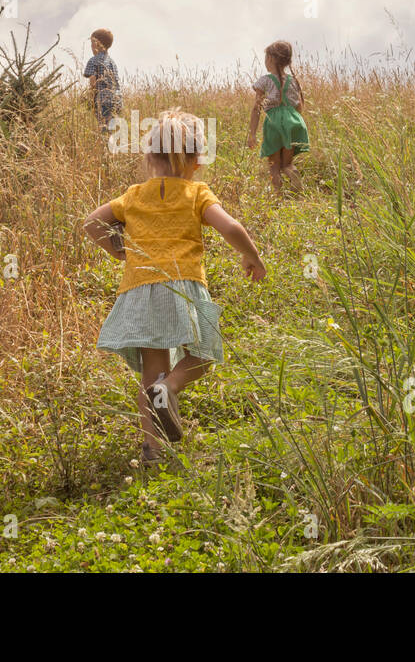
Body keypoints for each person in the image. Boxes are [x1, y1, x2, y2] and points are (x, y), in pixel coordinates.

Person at [83, 110, 266, 463]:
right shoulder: (196, 192)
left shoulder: (134, 195)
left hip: (139, 287)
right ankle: (170, 388)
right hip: (182, 287)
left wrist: (118, 252)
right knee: (205, 353)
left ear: (150, 157)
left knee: (152, 369)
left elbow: (92, 222)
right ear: (196, 160)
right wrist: (252, 257)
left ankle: (151, 449)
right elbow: (230, 227)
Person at [247, 40, 309, 192]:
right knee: (287, 164)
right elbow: (298, 107)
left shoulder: (265, 80)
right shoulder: (293, 81)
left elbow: (257, 108)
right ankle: (295, 183)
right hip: (294, 121)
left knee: (274, 165)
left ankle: (278, 198)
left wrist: (252, 133)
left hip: (274, 122)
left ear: (271, 59)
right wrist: (291, 123)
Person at [83, 28, 122, 131]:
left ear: (97, 44)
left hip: (102, 100)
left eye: (92, 43)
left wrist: (91, 99)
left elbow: (93, 82)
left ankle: (105, 145)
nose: (91, 46)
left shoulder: (93, 60)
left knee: (103, 128)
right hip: (117, 100)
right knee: (112, 130)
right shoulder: (112, 62)